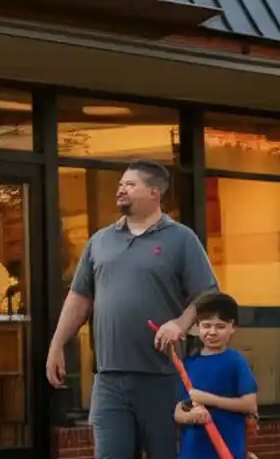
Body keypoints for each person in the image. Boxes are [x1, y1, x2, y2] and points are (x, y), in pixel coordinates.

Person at [45, 159, 219, 459]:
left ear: (154, 193)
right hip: (109, 379)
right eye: (120, 184)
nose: (121, 189)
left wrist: (180, 322)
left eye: (130, 184)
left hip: (162, 378)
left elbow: (207, 294)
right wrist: (57, 344)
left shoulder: (181, 239)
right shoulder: (100, 241)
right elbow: (79, 298)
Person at [175, 291, 259, 459]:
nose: (212, 332)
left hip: (227, 450)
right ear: (197, 327)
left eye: (220, 326)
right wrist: (189, 417)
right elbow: (178, 410)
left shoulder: (236, 361)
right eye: (206, 326)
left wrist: (209, 399)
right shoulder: (188, 364)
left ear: (232, 327)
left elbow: (250, 405)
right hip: (192, 453)